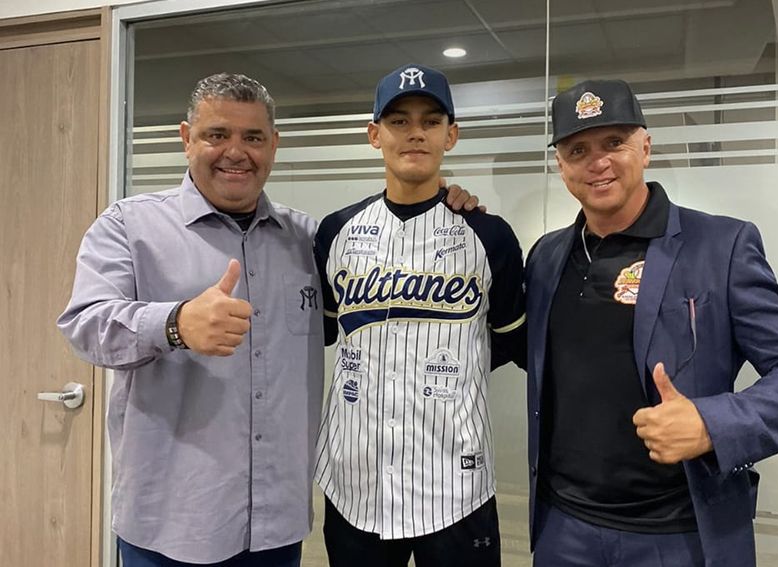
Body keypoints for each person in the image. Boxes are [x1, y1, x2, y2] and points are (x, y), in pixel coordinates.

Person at [57, 72, 478, 567]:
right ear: (186, 138)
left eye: (253, 137)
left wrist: (442, 203)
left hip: (275, 529)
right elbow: (85, 324)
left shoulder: (310, 240)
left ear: (273, 145)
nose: (236, 151)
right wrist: (175, 324)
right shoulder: (129, 226)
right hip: (172, 526)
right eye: (217, 134)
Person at [522, 79, 778, 566]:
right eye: (577, 149)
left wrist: (712, 423)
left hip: (678, 535)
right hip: (563, 529)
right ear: (560, 167)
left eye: (614, 142)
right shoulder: (546, 257)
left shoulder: (721, 246)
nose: (598, 161)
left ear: (645, 147)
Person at [312, 63, 526, 567]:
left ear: (450, 135)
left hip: (457, 484)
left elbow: (507, 346)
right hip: (353, 478)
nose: (414, 133)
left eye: (430, 121)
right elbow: (321, 332)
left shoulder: (490, 236)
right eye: (398, 121)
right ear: (374, 135)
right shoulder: (335, 231)